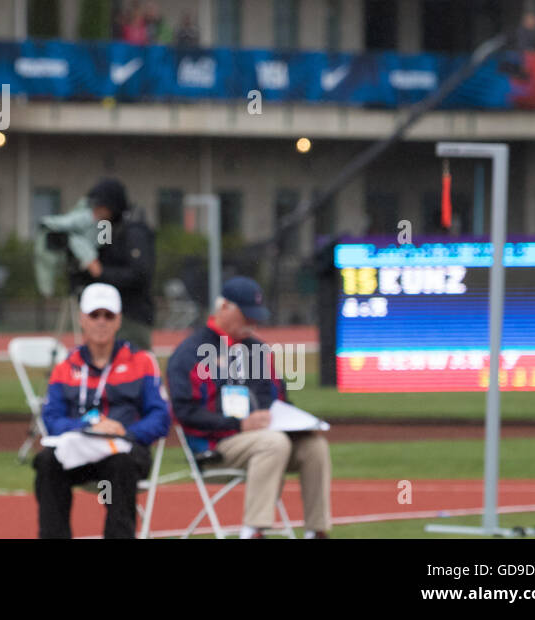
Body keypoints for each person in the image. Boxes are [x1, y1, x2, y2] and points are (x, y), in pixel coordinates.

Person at [167, 276, 331, 538]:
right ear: (224, 309)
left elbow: (279, 400)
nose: (252, 324)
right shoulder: (190, 353)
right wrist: (239, 424)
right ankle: (253, 530)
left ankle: (316, 530)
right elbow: (185, 413)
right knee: (273, 443)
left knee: (315, 446)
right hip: (214, 447)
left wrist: (296, 422)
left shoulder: (258, 351)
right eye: (246, 316)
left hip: (266, 441)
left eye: (256, 317)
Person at [33, 282, 170, 539]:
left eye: (108, 315)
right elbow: (51, 419)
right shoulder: (65, 366)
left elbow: (161, 417)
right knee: (47, 461)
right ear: (82, 319)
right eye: (94, 315)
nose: (101, 322)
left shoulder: (142, 362)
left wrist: (124, 432)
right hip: (79, 451)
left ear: (119, 320)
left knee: (121, 464)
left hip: (124, 450)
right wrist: (87, 429)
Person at [71, 178, 156, 350]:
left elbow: (139, 274)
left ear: (112, 205)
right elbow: (102, 257)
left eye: (100, 206)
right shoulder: (106, 228)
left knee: (133, 367)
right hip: (105, 312)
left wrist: (100, 272)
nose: (95, 211)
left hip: (131, 315)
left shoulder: (134, 231)